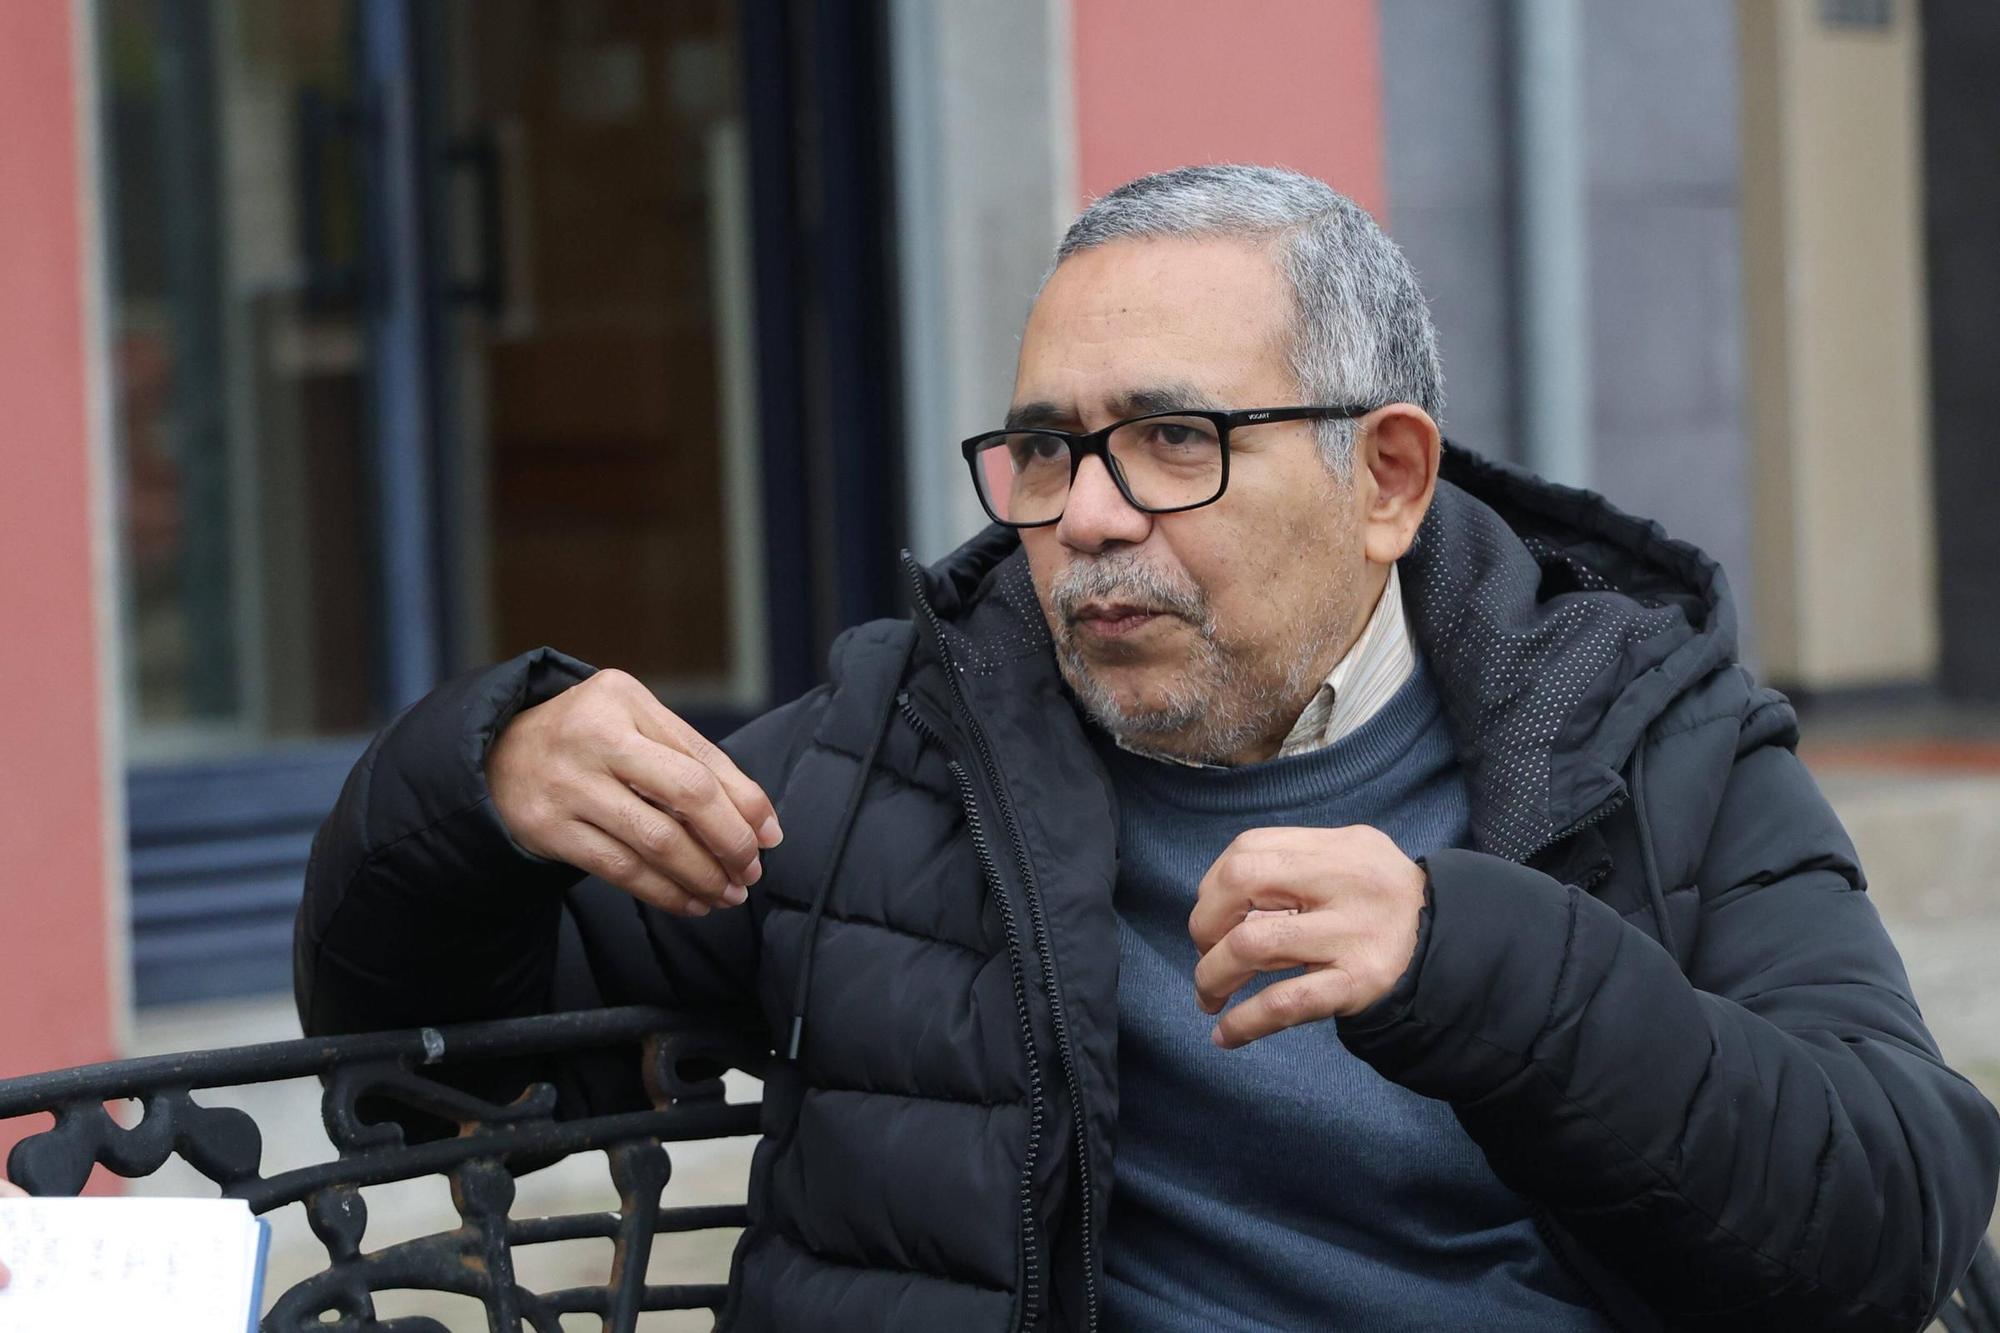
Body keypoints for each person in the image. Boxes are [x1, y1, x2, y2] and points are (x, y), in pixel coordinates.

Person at [296, 164, 2000, 1332]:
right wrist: (480, 784)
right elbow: (446, 1084)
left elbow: (1886, 1213)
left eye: (1176, 438)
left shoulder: (1648, 735)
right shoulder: (898, 747)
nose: (1090, 520)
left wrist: (1475, 961)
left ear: (1387, 478)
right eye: (1046, 450)